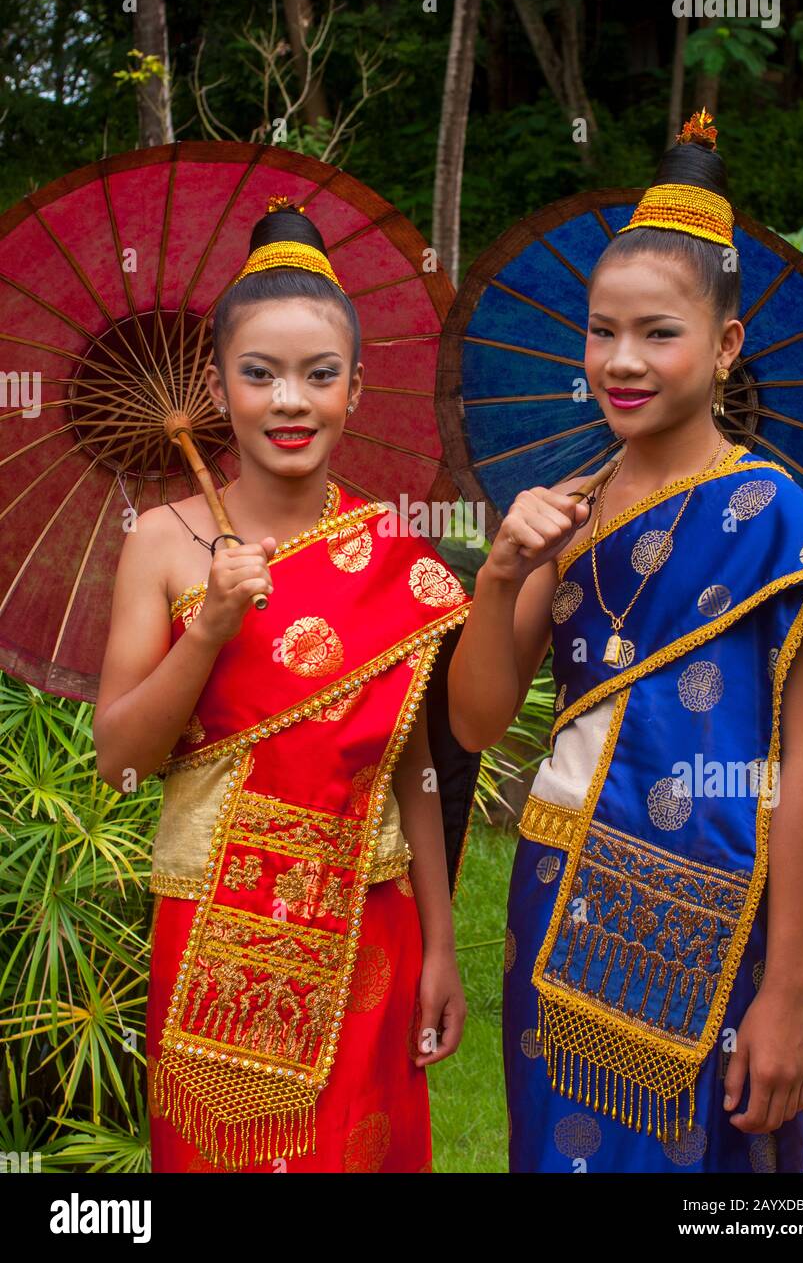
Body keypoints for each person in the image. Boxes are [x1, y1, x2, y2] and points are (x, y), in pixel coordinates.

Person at [447, 111, 803, 1173]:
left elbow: (802, 765)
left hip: (720, 924)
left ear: (725, 344)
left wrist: (787, 992)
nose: (619, 361)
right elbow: (475, 718)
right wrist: (499, 575)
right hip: (556, 907)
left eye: (656, 333)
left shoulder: (768, 514)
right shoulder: (566, 505)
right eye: (599, 331)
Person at [93, 197, 480, 1173]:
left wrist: (440, 942)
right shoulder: (164, 543)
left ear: (353, 389)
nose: (289, 401)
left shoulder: (389, 550)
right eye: (259, 374)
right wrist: (209, 627)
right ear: (219, 387)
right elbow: (118, 759)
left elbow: (416, 772)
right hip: (214, 920)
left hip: (369, 921)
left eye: (319, 375)